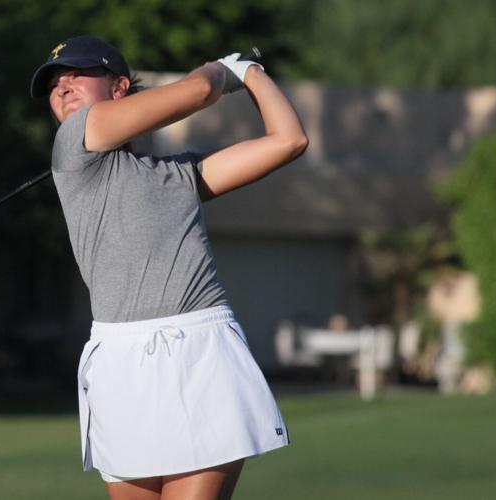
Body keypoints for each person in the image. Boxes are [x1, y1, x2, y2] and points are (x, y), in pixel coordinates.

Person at [29, 35, 308, 500]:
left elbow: (289, 140)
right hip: (119, 361)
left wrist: (253, 74)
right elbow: (200, 90)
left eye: (77, 75)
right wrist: (224, 68)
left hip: (199, 351)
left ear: (119, 87)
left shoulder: (180, 175)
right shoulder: (71, 142)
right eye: (55, 83)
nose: (62, 87)